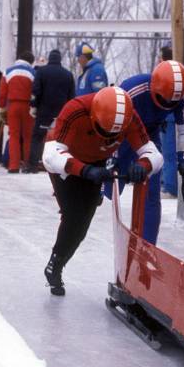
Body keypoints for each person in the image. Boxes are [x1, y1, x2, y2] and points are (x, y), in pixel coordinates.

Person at [42, 86, 162, 296]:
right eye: (104, 131)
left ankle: (58, 261)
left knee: (82, 224)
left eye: (115, 135)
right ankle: (55, 265)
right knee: (73, 215)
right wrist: (84, 170)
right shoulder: (75, 110)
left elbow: (154, 154)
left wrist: (142, 166)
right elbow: (51, 156)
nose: (109, 137)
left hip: (96, 163)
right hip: (66, 161)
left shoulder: (130, 117)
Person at [109, 59, 184, 245]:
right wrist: (112, 158)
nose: (168, 104)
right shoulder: (132, 91)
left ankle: (147, 246)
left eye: (173, 102)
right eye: (165, 99)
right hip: (122, 135)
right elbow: (111, 125)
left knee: (151, 190)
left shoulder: (181, 96)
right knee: (110, 186)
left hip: (150, 137)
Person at [25, 49, 75, 172]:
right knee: (59, 140)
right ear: (60, 60)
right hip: (61, 114)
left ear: (49, 58)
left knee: (37, 138)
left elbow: (35, 91)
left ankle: (32, 166)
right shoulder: (68, 75)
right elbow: (72, 96)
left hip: (43, 112)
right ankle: (58, 166)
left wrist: (33, 106)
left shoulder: (41, 72)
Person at [0, 51, 35, 173]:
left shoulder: (8, 71)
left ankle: (13, 165)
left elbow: (2, 92)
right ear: (31, 61)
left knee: (13, 136)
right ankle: (26, 164)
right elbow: (36, 91)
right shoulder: (33, 72)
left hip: (12, 106)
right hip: (28, 107)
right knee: (27, 136)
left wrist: (1, 108)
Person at [158, 45, 179, 198]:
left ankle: (171, 187)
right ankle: (168, 183)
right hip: (170, 117)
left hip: (170, 118)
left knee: (169, 153)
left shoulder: (168, 75)